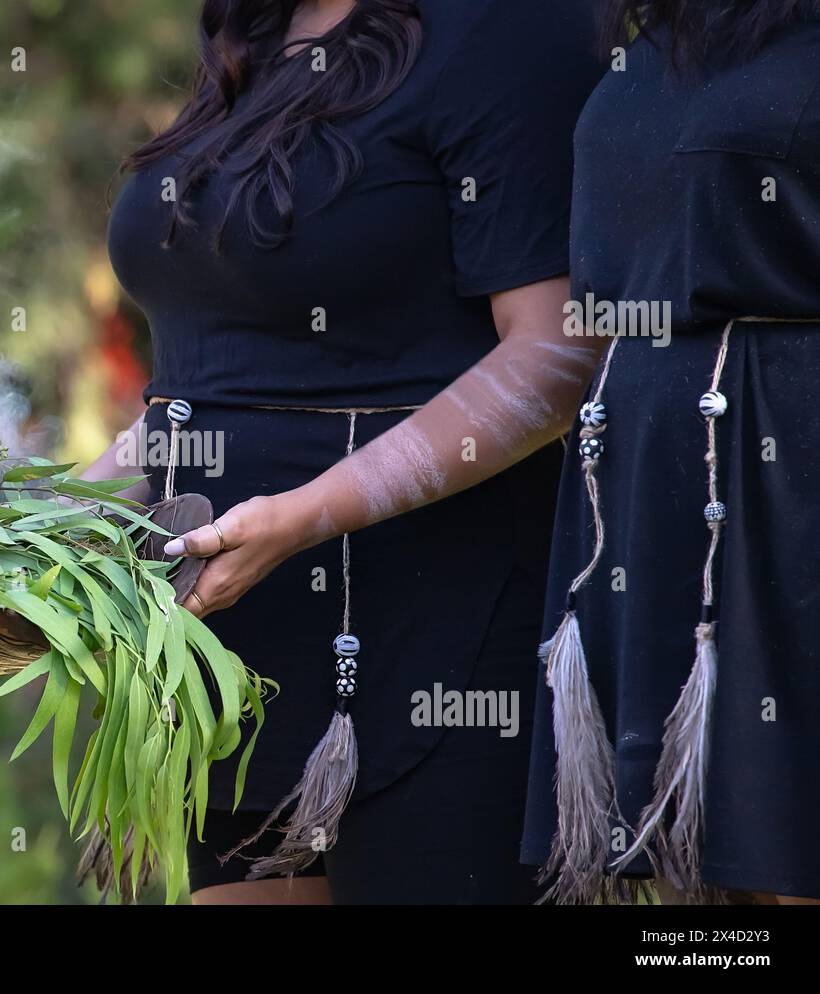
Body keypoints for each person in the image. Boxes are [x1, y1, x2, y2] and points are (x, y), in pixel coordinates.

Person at [83, 0, 606, 904]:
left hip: (442, 639)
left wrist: (303, 516)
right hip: (223, 659)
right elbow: (221, 378)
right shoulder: (253, 32)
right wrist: (38, 523)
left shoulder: (511, 27)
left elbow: (557, 352)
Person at [520, 0, 820, 905]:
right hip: (650, 475)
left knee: (788, 849)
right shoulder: (655, 32)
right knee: (702, 888)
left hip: (792, 475)